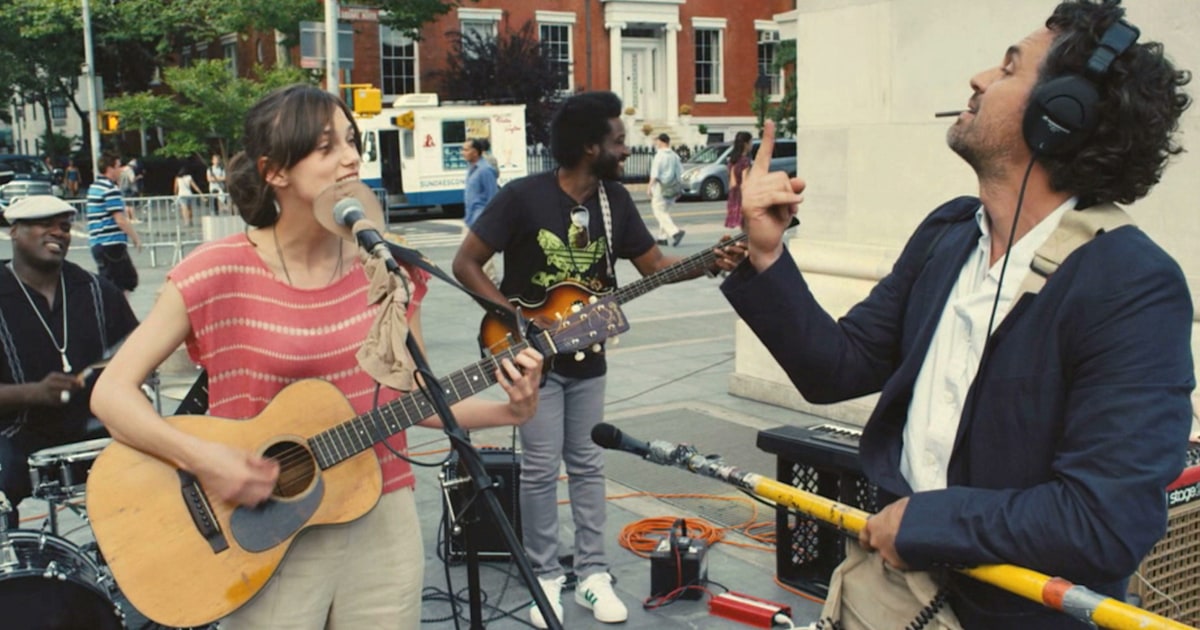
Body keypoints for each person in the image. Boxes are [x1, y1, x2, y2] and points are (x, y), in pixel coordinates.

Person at [722, 2, 1193, 627]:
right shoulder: (949, 233)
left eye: (1007, 69)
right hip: (886, 592)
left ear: (1062, 115)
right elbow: (835, 369)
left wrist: (927, 523)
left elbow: (1105, 522)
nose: (977, 78)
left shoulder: (1131, 284)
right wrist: (767, 256)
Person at [89, 84, 544, 629]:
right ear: (275, 170)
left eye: (351, 140)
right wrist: (203, 458)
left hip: (382, 515)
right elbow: (112, 395)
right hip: (258, 528)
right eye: (326, 147)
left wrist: (508, 411)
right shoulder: (213, 272)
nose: (351, 156)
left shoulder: (387, 267)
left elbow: (411, 395)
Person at [452, 91, 743, 628]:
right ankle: (544, 575)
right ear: (589, 146)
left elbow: (654, 264)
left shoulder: (615, 201)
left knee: (586, 464)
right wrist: (517, 321)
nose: (625, 147)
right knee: (540, 470)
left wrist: (709, 262)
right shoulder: (522, 197)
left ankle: (591, 574)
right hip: (529, 358)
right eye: (616, 139)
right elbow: (465, 263)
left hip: (587, 356)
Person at [0, 196, 138, 528]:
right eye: (44, 224)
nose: (58, 232)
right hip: (15, 432)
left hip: (92, 426)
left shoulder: (95, 289)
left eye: (63, 226)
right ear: (14, 231)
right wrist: (33, 393)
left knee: (155, 469)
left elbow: (136, 347)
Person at [86, 152, 141, 294]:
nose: (121, 170)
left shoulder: (94, 187)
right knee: (124, 282)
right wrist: (135, 237)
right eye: (118, 166)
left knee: (113, 282)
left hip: (98, 242)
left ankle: (116, 312)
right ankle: (118, 314)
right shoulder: (110, 189)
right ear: (110, 169)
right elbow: (120, 219)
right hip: (111, 243)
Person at [462, 137, 500, 283]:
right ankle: (488, 281)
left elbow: (493, 197)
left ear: (476, 152)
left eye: (466, 149)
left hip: (481, 219)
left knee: (476, 253)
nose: (462, 153)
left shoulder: (485, 171)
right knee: (472, 253)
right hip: (471, 219)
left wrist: (489, 220)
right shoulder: (473, 169)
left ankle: (490, 282)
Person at [646, 133, 685, 246]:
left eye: (657, 141)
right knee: (665, 211)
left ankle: (675, 232)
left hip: (660, 187)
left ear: (662, 142)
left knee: (658, 211)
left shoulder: (660, 156)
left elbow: (655, 173)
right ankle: (662, 237)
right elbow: (679, 173)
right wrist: (679, 188)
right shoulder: (674, 155)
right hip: (672, 187)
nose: (656, 143)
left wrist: (649, 186)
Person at [724, 131, 752, 228]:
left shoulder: (732, 160)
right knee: (743, 227)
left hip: (733, 197)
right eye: (750, 142)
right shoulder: (745, 161)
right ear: (746, 144)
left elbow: (731, 181)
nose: (751, 145)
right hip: (741, 198)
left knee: (734, 225)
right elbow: (745, 181)